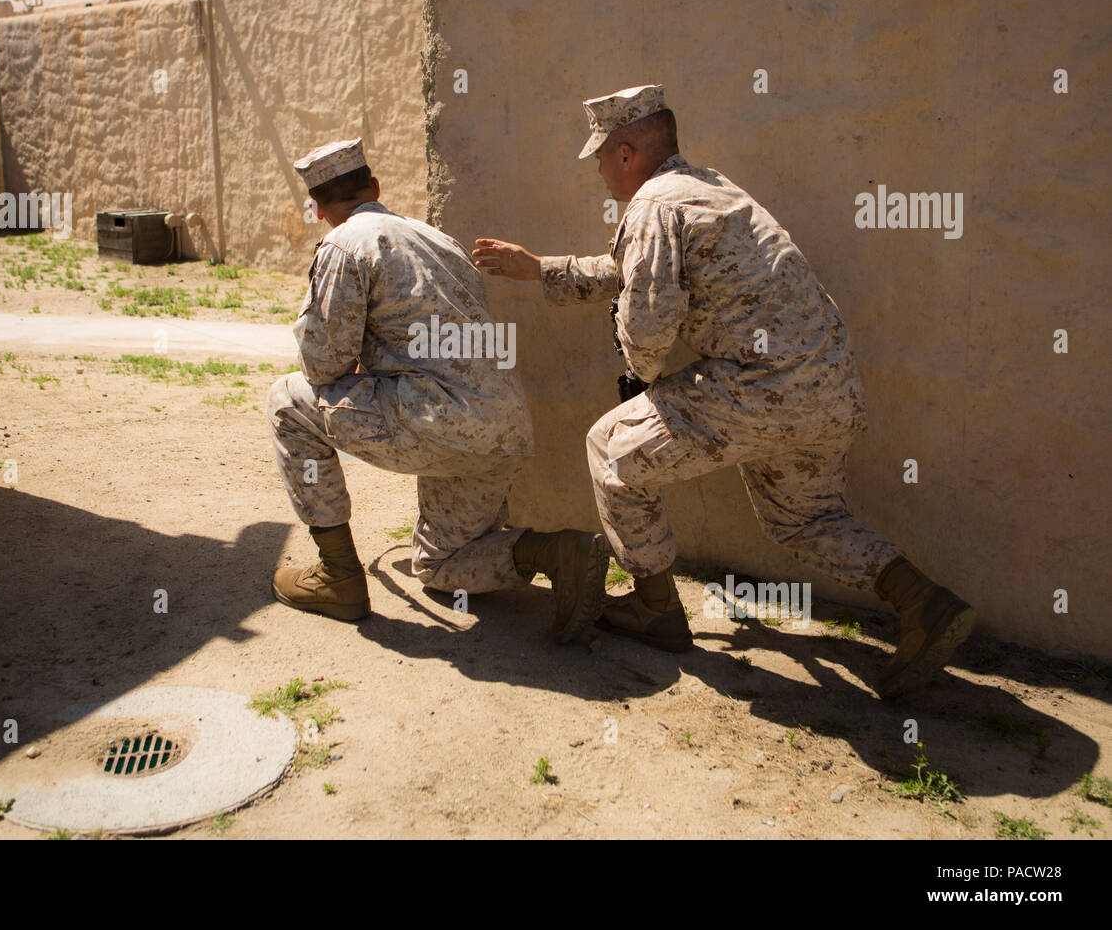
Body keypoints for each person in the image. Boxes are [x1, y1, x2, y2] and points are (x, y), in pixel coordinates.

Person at [472, 85, 975, 697]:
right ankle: (924, 603)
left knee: (611, 449)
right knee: (807, 519)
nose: (598, 169)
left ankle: (655, 609)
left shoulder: (654, 203)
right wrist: (543, 268)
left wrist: (640, 378)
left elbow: (649, 317)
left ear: (626, 152)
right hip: (828, 385)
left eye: (600, 156)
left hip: (760, 386)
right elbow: (640, 268)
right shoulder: (709, 188)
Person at [267, 137, 609, 642]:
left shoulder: (346, 244)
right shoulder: (438, 239)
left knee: (287, 401)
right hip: (503, 429)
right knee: (440, 565)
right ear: (376, 187)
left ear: (316, 209)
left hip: (435, 421)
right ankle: (558, 551)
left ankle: (338, 576)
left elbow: (322, 364)